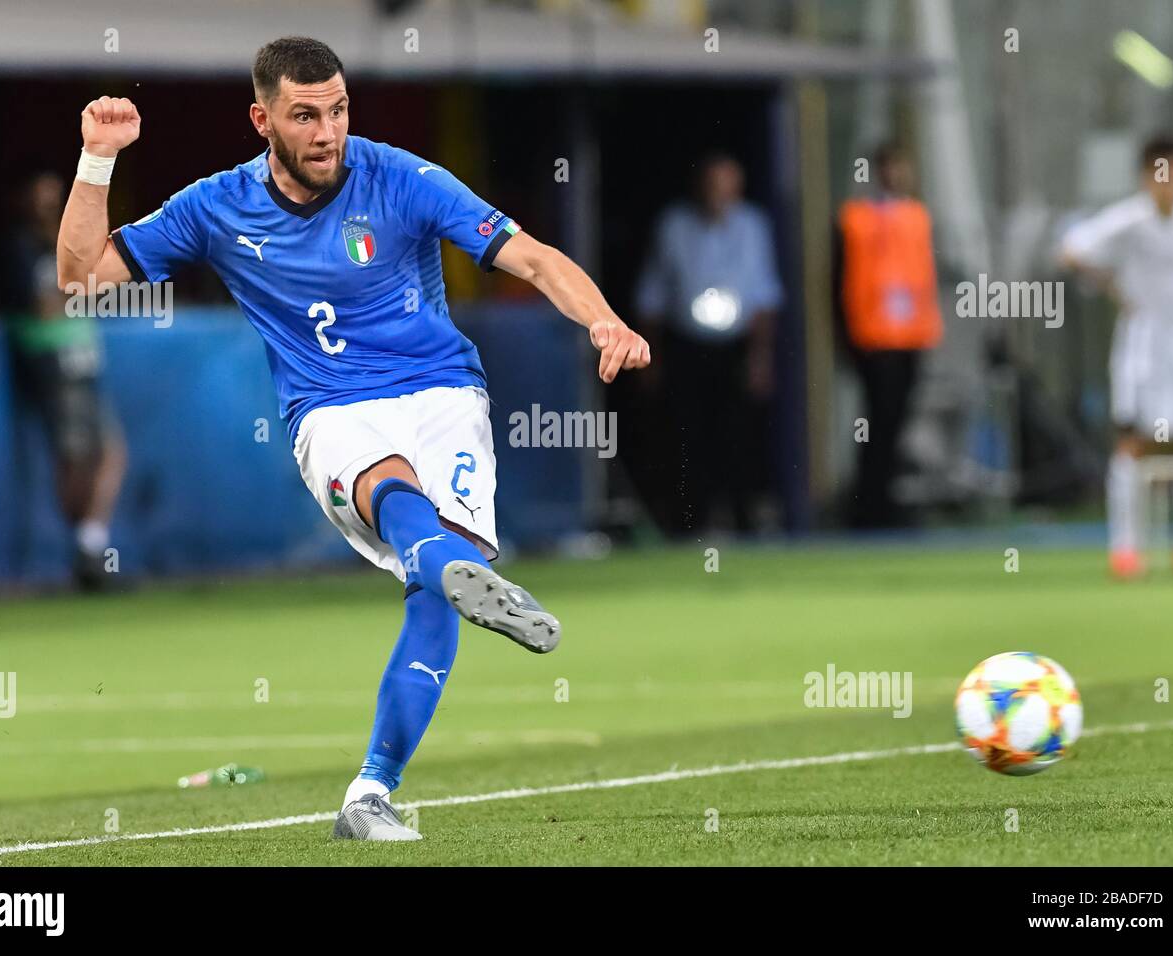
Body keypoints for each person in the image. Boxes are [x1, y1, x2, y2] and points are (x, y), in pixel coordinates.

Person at [55, 37, 649, 840]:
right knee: (406, 506)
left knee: (433, 596)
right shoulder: (217, 206)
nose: (327, 131)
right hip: (330, 408)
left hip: (443, 393)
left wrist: (604, 319)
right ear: (263, 120)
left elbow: (535, 260)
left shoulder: (401, 178)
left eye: (338, 110)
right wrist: (97, 161)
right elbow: (82, 277)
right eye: (305, 116)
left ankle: (369, 795)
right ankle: (446, 563)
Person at [1059, 136, 1173, 578]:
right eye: (1162, 175)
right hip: (1143, 348)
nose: (1171, 185)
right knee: (1133, 441)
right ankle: (1125, 549)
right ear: (1148, 178)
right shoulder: (1128, 220)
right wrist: (1113, 287)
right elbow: (1071, 248)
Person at [635, 154, 782, 534]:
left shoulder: (753, 226)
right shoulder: (674, 225)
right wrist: (652, 357)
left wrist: (760, 357)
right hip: (686, 344)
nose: (719, 194)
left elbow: (765, 294)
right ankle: (690, 522)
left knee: (739, 433)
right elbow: (653, 294)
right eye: (712, 184)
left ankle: (744, 519)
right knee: (687, 432)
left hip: (737, 344)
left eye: (727, 185)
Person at [1, 171, 126, 590]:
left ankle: (90, 543)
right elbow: (41, 306)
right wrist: (78, 290)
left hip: (84, 359)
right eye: (40, 198)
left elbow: (91, 285)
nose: (47, 207)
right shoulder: (17, 248)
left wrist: (80, 288)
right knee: (73, 458)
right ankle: (84, 547)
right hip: (50, 363)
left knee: (109, 451)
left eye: (53, 198)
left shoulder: (67, 243)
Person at [834, 143, 943, 529]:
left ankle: (887, 500)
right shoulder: (856, 218)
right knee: (875, 422)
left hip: (910, 335)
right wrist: (846, 337)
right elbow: (840, 280)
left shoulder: (916, 215)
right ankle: (868, 504)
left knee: (897, 422)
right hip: (873, 336)